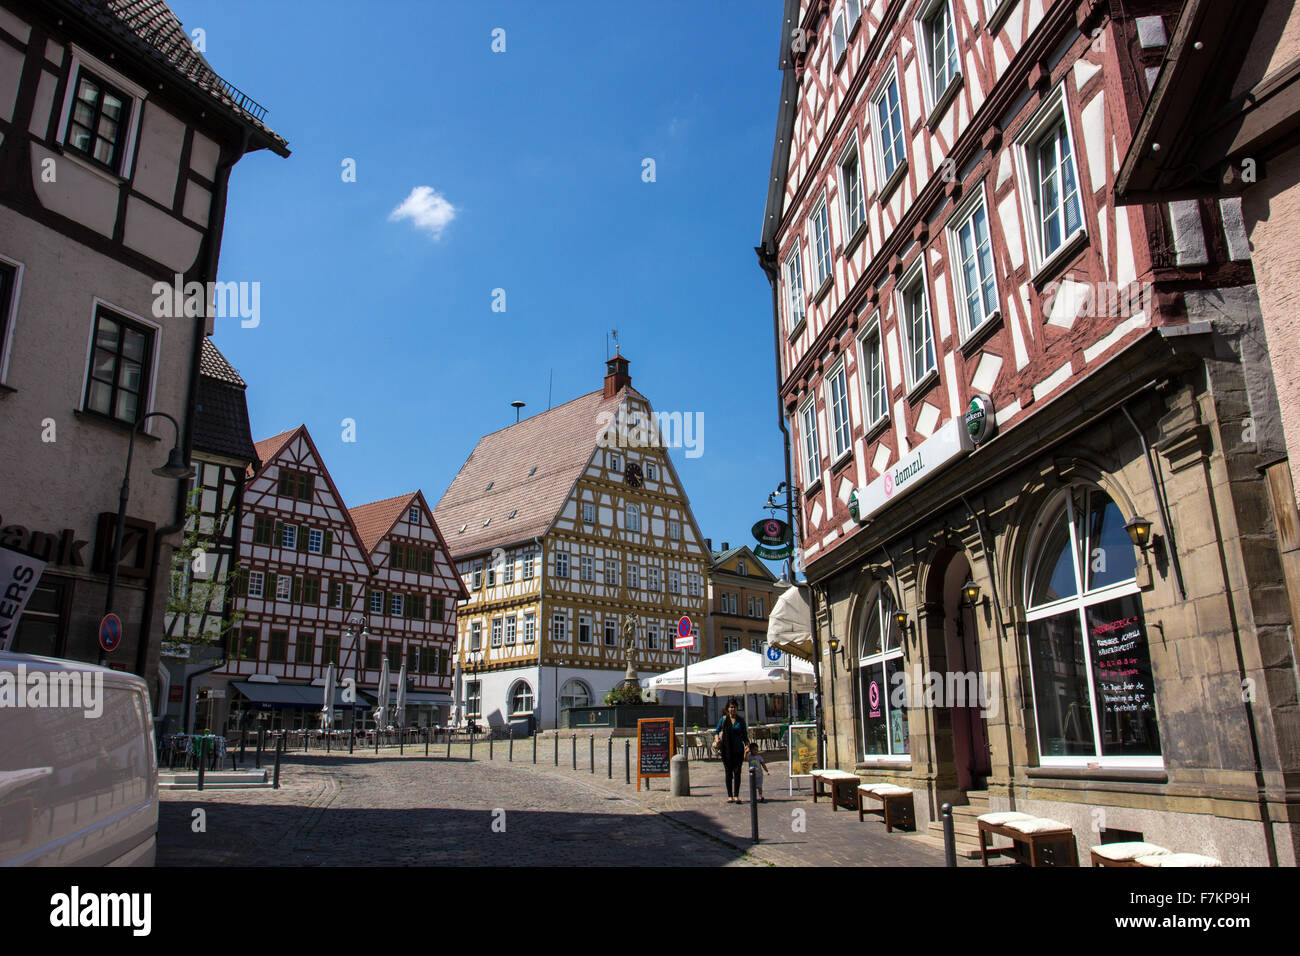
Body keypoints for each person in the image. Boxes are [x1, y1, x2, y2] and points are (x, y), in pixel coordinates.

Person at [714, 698, 749, 804]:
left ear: (737, 708)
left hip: (738, 750)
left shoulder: (740, 720)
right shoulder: (724, 719)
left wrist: (747, 746)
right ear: (727, 709)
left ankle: (736, 795)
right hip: (726, 750)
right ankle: (729, 795)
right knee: (728, 773)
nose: (732, 709)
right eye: (730, 707)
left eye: (734, 707)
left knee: (737, 772)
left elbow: (744, 736)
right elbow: (717, 731)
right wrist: (717, 740)